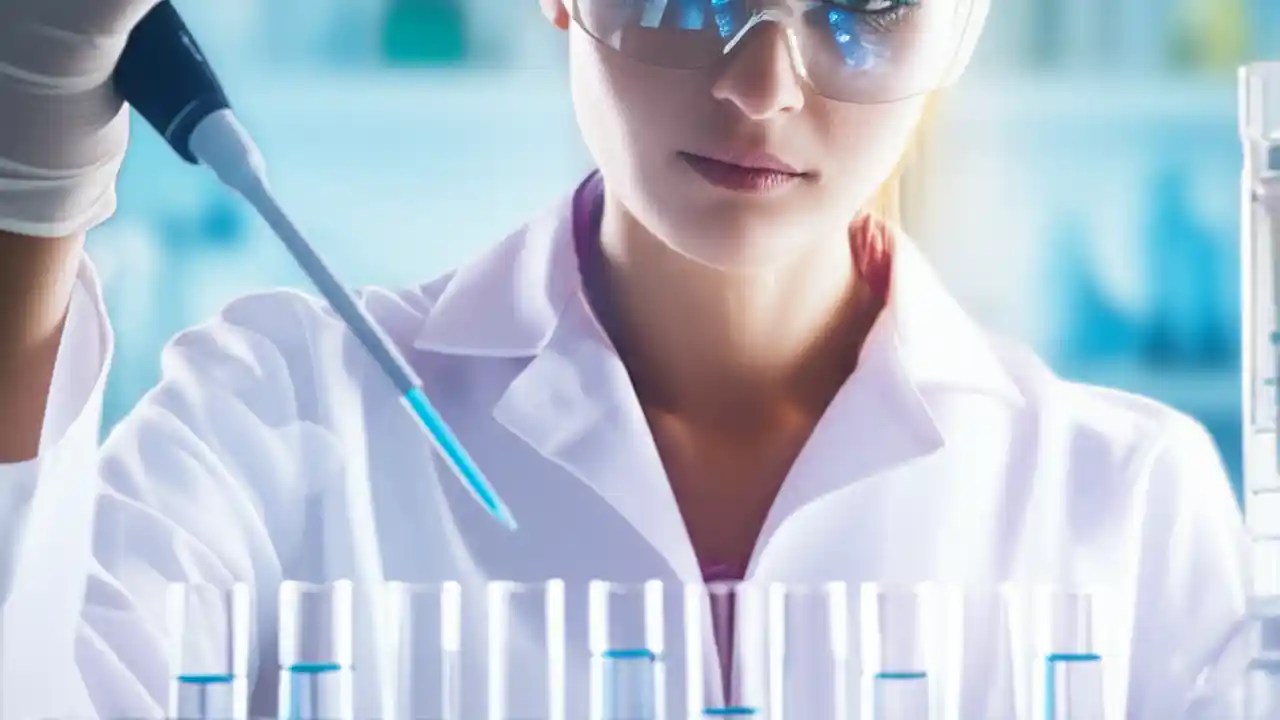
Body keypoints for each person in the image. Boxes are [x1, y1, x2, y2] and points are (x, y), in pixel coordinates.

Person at [0, 0, 1250, 716]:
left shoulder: (1123, 505)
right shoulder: (280, 415)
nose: (761, 84)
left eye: (863, 2)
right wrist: (29, 196)